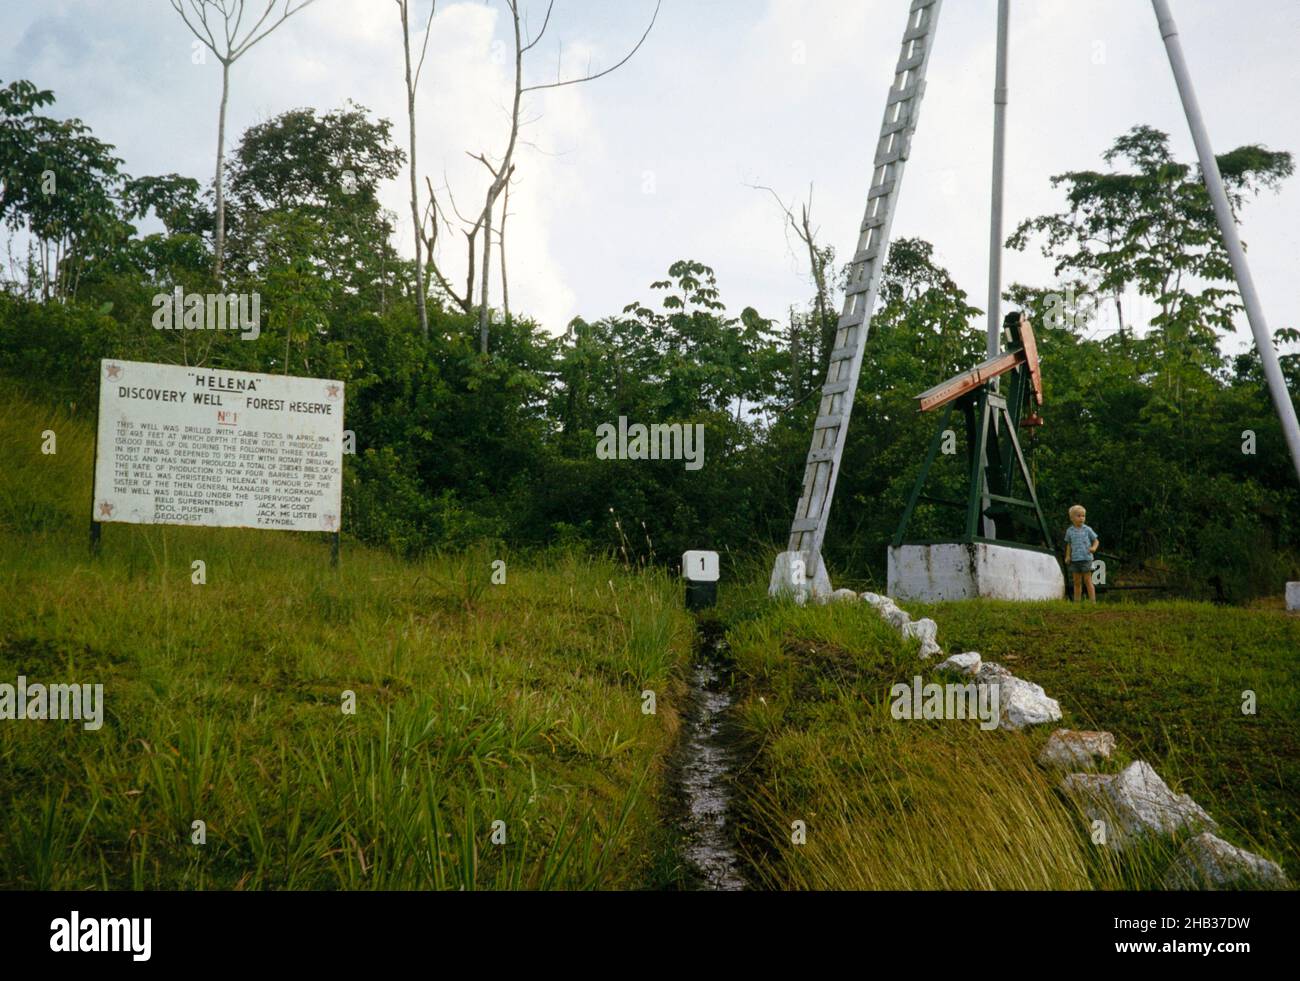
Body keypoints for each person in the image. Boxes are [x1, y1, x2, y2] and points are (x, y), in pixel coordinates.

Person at [1063, 504, 1099, 603]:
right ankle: (1077, 602)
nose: (1081, 518)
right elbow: (1069, 545)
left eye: (1083, 516)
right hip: (1075, 560)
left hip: (1086, 558)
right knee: (1077, 582)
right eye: (1078, 516)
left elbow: (1096, 540)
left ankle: (1093, 602)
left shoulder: (1087, 529)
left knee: (1088, 581)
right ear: (1072, 518)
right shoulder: (1069, 531)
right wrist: (1067, 556)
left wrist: (1093, 548)